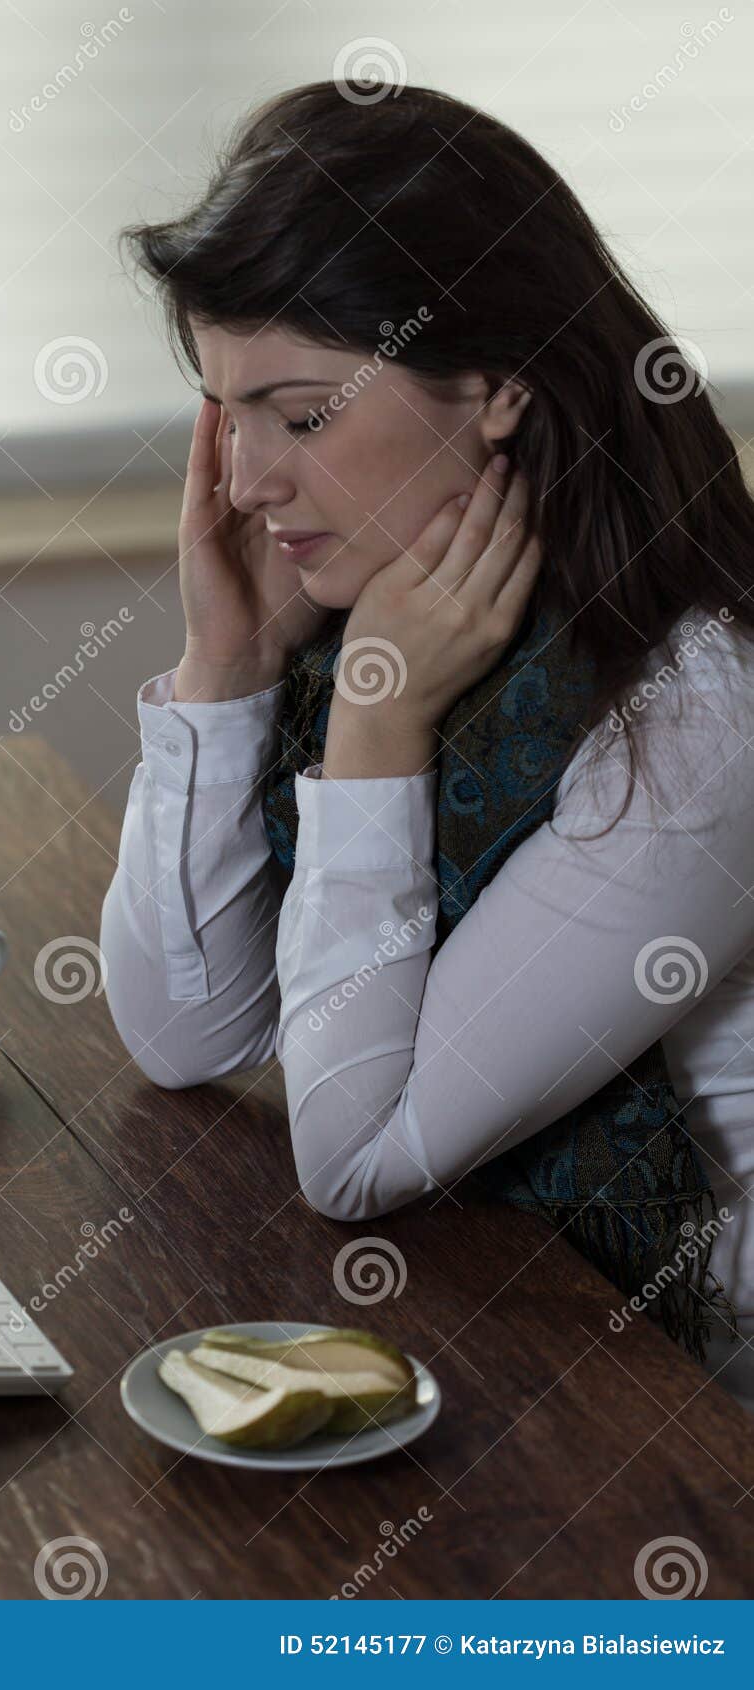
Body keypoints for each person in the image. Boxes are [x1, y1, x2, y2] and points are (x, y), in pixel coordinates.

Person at [99, 80, 754, 1411]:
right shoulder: (382, 607)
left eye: (302, 413)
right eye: (227, 416)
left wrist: (379, 729)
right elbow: (185, 1030)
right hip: (498, 1310)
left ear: (500, 384)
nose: (243, 484)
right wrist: (229, 665)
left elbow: (352, 1156)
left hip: (683, 1405)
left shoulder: (690, 721)